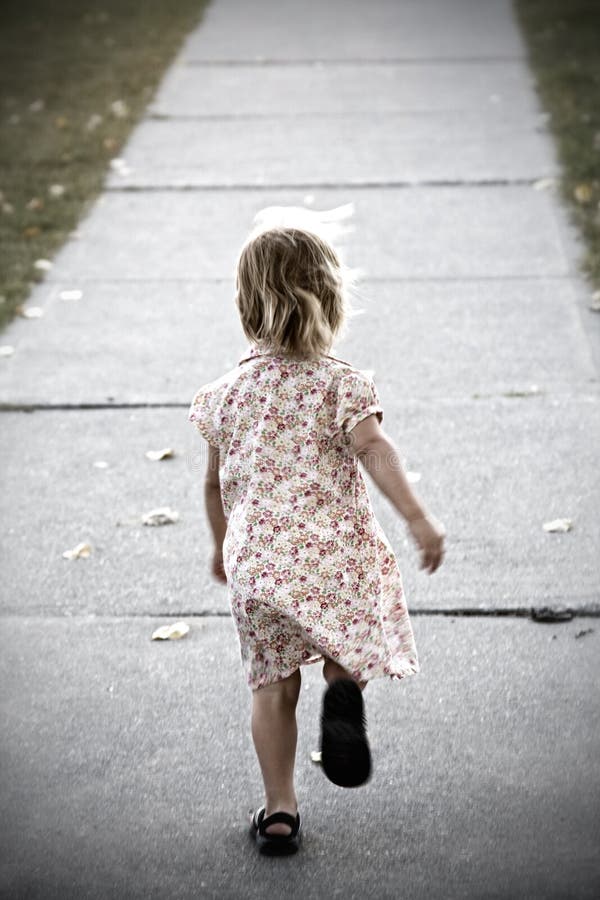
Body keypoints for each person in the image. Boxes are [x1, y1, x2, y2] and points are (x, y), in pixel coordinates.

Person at [188, 224, 445, 855]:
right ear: (329, 302)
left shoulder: (224, 397)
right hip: (333, 553)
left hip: (259, 562)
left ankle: (280, 812)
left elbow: (214, 485)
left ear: (246, 305)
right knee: (343, 645)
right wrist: (416, 519)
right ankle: (342, 687)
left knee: (271, 686)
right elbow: (375, 452)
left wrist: (222, 547)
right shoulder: (342, 383)